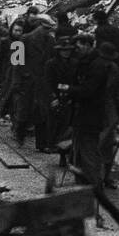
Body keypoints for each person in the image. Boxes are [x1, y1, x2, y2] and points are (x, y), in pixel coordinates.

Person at [70, 33, 119, 216]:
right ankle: (101, 180)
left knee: (92, 153)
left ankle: (93, 190)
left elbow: (91, 92)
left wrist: (69, 90)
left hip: (95, 115)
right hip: (104, 113)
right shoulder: (110, 66)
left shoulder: (99, 67)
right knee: (98, 149)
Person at [15, 15, 56, 149]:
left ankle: (41, 144)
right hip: (28, 82)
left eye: (48, 29)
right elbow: (15, 62)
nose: (47, 31)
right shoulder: (24, 39)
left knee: (42, 112)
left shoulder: (50, 41)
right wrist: (20, 79)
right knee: (24, 110)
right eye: (45, 28)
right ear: (39, 26)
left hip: (43, 82)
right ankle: (19, 136)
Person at [45, 36, 81, 167]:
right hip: (56, 99)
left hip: (70, 99)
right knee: (55, 126)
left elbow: (77, 81)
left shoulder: (75, 63)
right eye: (63, 50)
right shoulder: (51, 64)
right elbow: (48, 82)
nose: (66, 52)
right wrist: (53, 97)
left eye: (68, 50)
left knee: (68, 130)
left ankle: (65, 155)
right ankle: (58, 151)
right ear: (59, 51)